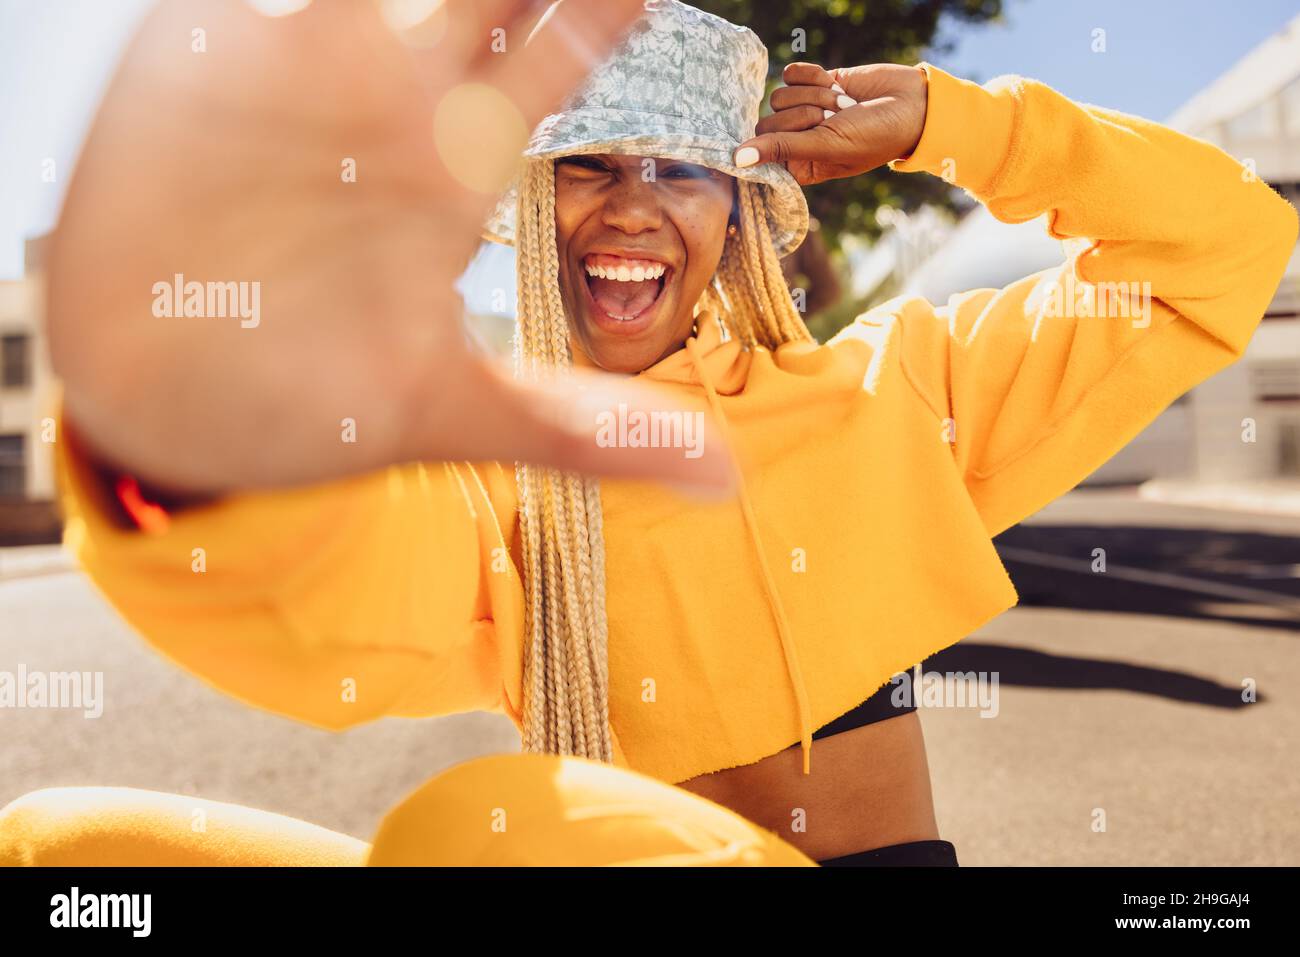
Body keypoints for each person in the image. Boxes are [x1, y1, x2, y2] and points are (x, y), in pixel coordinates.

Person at [4, 0, 1295, 867]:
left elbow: (1227, 250)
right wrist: (199, 441)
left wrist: (960, 124)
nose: (632, 208)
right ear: (527, 204)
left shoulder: (895, 390)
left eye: (680, 170)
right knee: (65, 846)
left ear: (739, 215)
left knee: (486, 821)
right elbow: (339, 594)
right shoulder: (496, 472)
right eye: (590, 164)